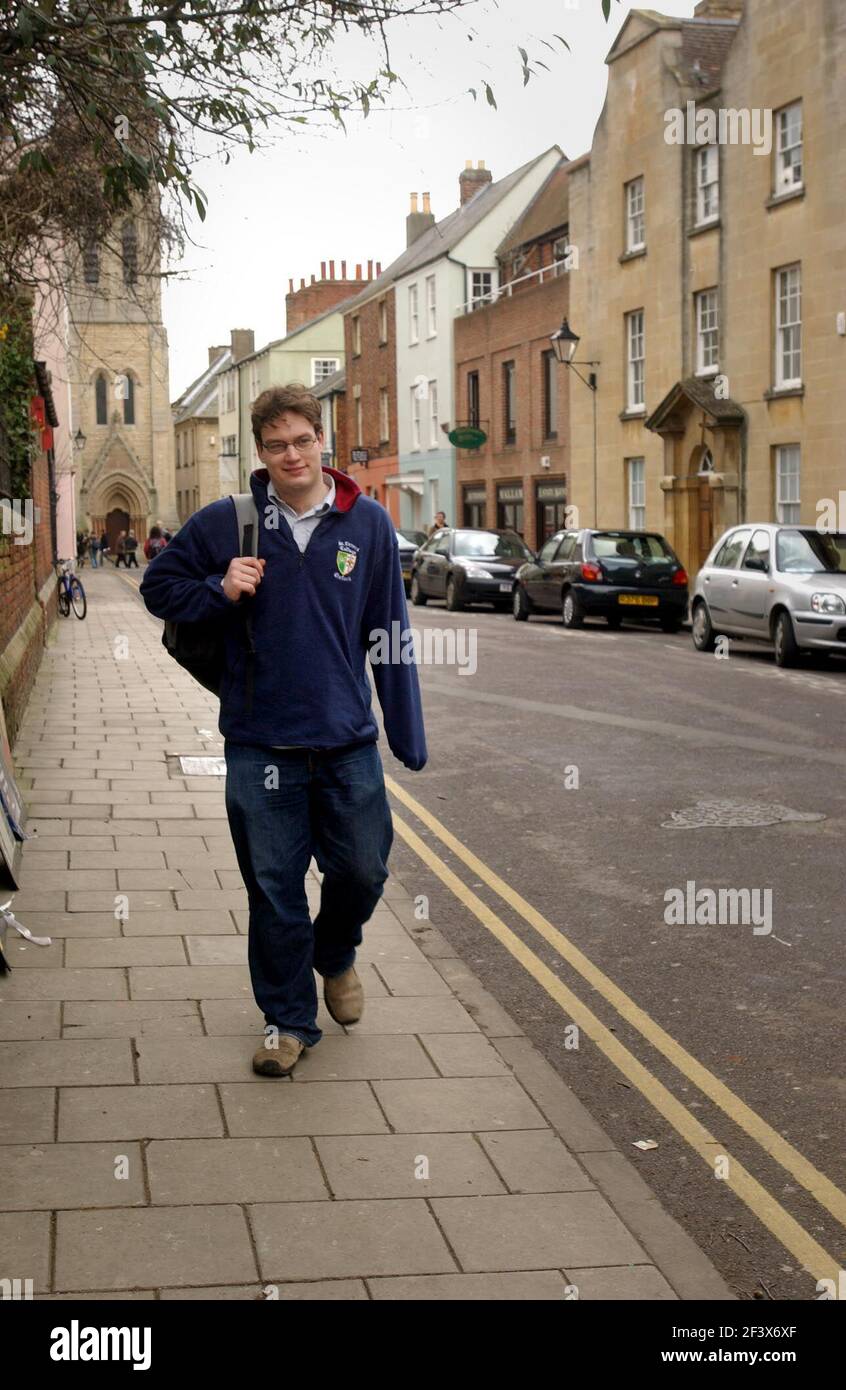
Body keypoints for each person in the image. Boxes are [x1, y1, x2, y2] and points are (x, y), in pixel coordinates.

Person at [140, 382, 427, 1079]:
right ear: (261, 452)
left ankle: (335, 954)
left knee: (362, 868)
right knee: (274, 888)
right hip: (260, 740)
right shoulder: (228, 521)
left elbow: (389, 630)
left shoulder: (368, 526)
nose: (291, 454)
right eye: (276, 445)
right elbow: (157, 587)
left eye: (302, 440)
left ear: (321, 440)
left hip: (345, 740)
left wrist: (405, 733)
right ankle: (288, 1021)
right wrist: (219, 588)